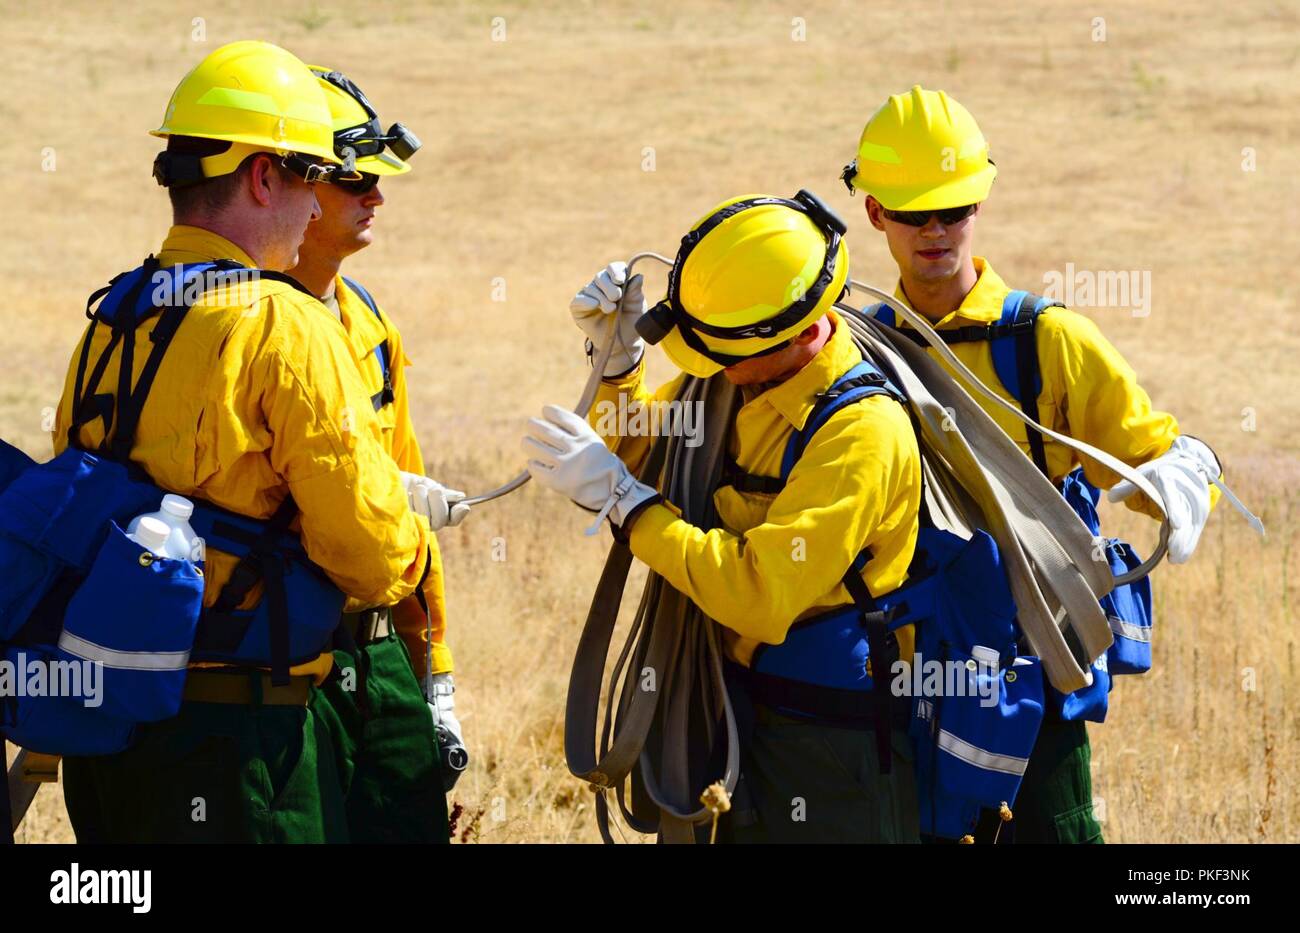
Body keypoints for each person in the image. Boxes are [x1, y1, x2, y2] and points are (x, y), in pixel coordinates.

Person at [53, 40, 435, 843]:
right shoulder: (286, 323)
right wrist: (405, 514)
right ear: (264, 176)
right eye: (311, 176)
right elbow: (369, 557)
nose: (316, 204)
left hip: (112, 733)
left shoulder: (115, 316)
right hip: (242, 750)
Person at [841, 85, 1224, 843]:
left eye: (953, 208)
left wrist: (1185, 485)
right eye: (914, 213)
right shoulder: (854, 348)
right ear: (876, 212)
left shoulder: (1050, 341)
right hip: (898, 675)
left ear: (980, 202)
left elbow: (1160, 456)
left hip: (1030, 678)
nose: (936, 230)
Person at [523, 191, 926, 842]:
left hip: (827, 739)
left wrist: (630, 506)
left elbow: (759, 594)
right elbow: (633, 453)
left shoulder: (861, 434)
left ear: (797, 331)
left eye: (721, 355)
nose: (708, 367)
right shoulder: (733, 375)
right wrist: (617, 360)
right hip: (734, 704)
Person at [285, 66, 467, 843]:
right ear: (290, 183)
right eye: (355, 179)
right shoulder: (237, 325)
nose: (376, 198)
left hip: (382, 652)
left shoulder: (366, 322)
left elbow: (410, 522)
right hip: (285, 663)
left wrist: (438, 671)